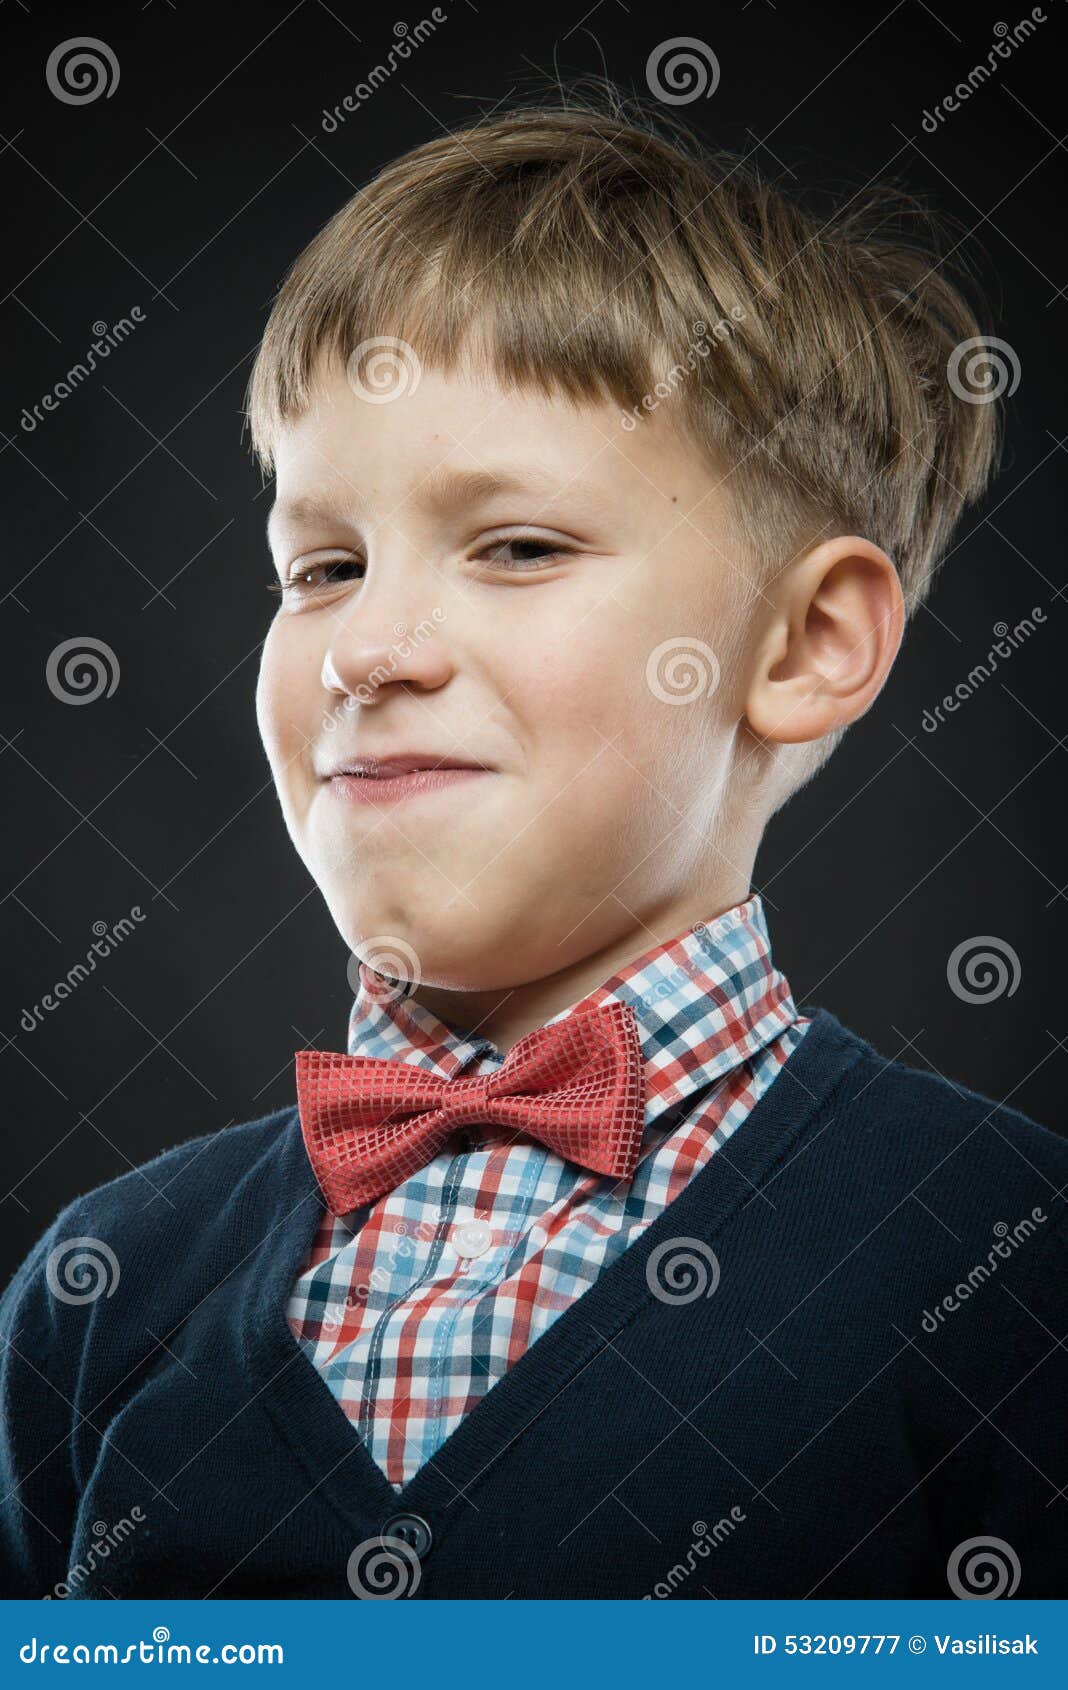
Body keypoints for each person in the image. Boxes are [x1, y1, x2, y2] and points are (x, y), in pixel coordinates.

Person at [2, 94, 1064, 1602]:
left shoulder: (1010, 1260)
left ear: (810, 640)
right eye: (322, 565)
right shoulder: (100, 1291)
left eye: (517, 546)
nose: (369, 645)